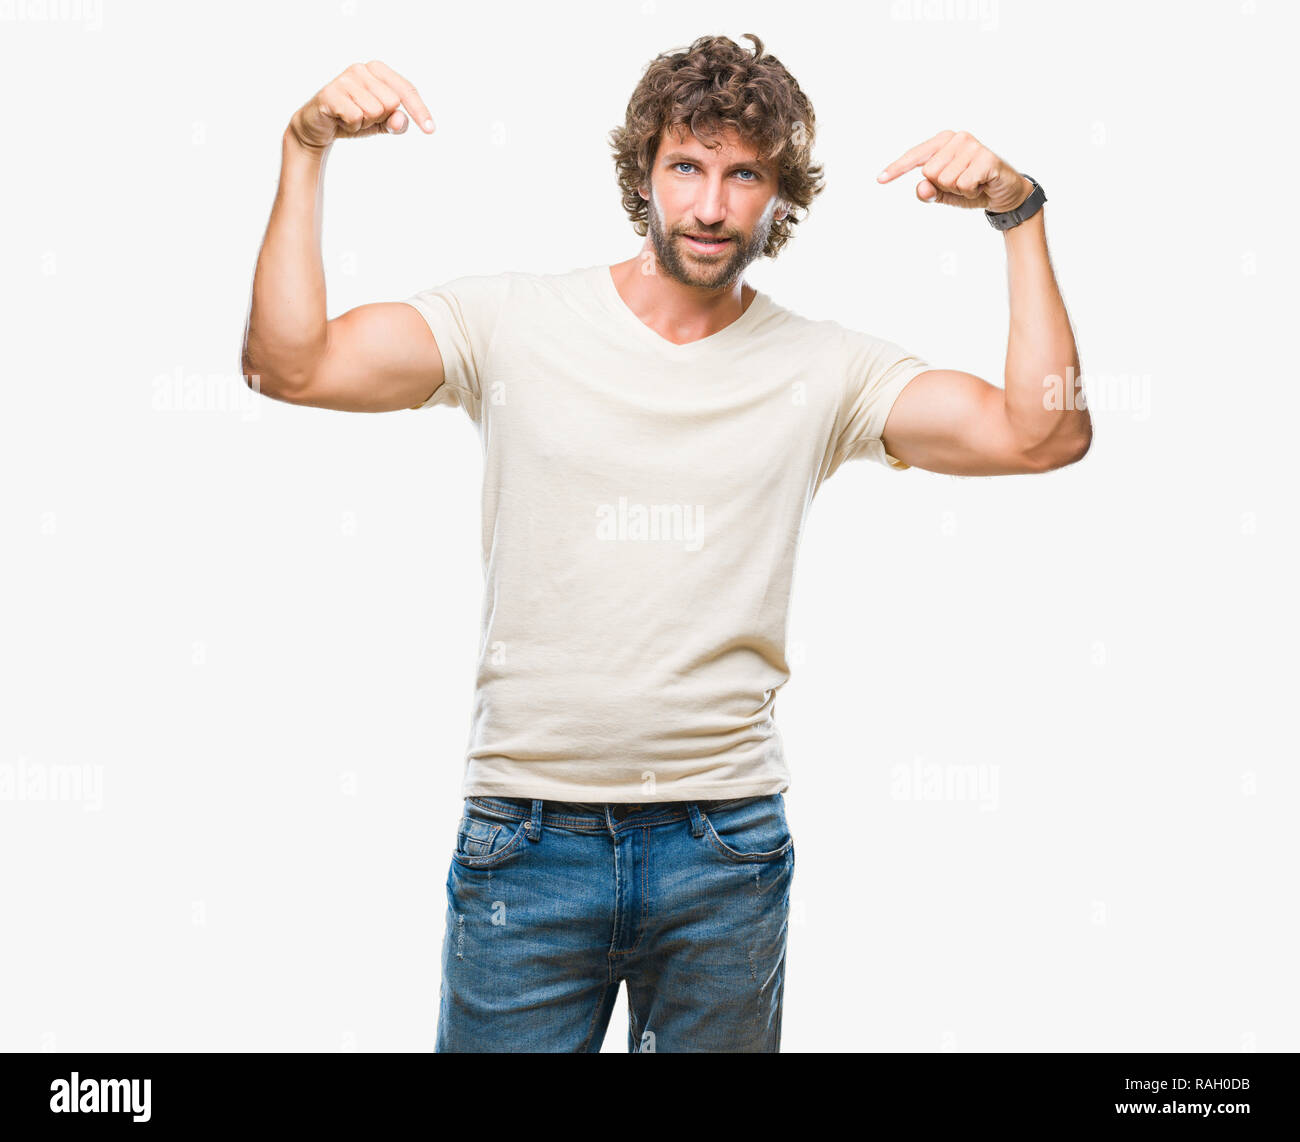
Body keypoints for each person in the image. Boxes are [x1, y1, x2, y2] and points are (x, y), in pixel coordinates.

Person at [240, 34, 1090, 1053]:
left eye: (745, 174)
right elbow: (286, 365)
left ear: (782, 196)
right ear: (641, 174)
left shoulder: (822, 367)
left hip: (722, 848)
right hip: (525, 839)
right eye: (686, 165)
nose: (711, 204)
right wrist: (304, 147)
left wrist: (1018, 214)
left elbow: (1046, 432)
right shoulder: (509, 322)